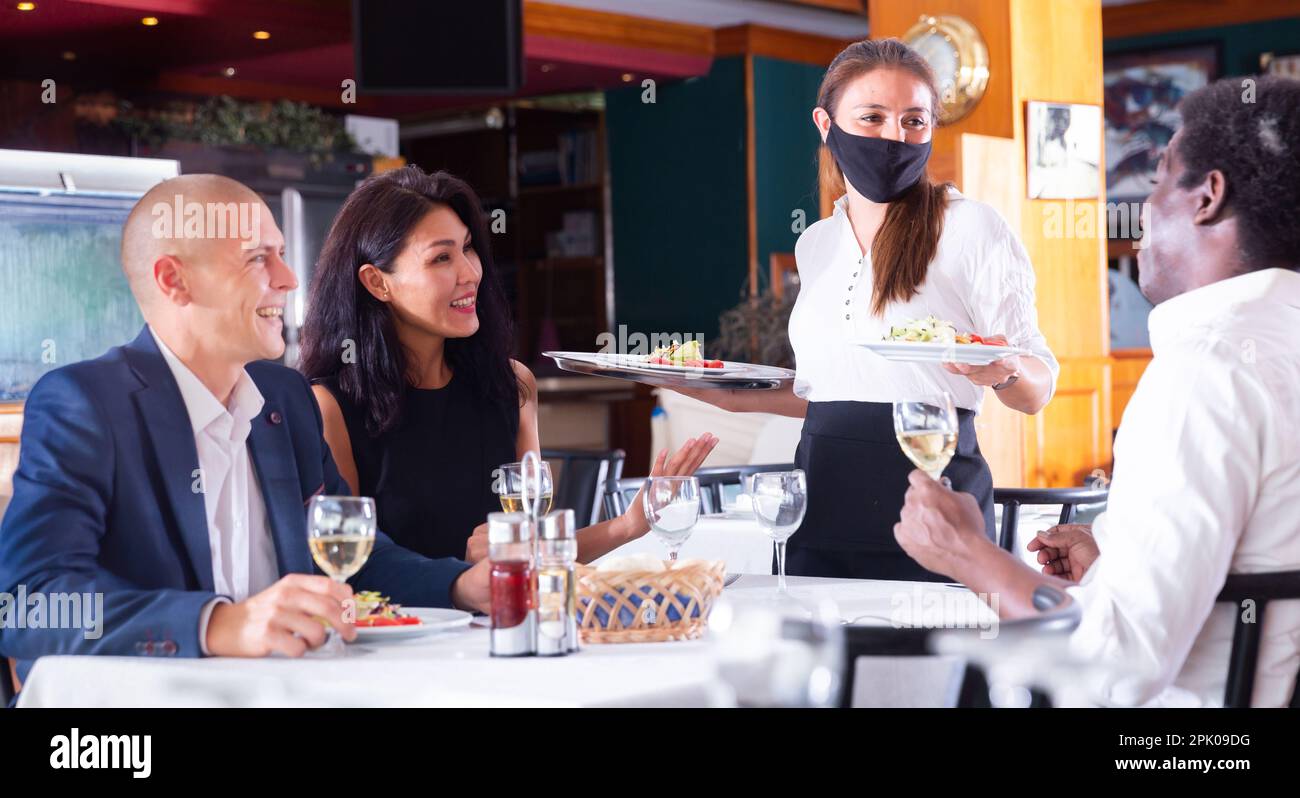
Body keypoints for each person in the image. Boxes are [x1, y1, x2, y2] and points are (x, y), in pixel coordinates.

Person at [894, 76, 1300, 706]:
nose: (1139, 209)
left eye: (1159, 179)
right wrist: (1113, 563)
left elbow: (1114, 668)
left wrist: (969, 554)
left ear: (1206, 197)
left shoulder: (1208, 371)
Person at [0, 174, 492, 690]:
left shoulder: (284, 398)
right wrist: (219, 623)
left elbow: (356, 559)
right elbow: (33, 602)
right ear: (175, 280)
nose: (289, 278)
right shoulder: (85, 404)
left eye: (281, 253)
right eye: (260, 258)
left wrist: (461, 584)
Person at [674, 39, 1057, 581]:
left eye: (913, 121)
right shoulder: (815, 243)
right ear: (825, 124)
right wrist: (730, 399)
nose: (894, 137)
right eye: (872, 117)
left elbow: (1038, 389)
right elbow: (833, 391)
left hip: (934, 500)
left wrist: (1005, 371)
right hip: (821, 495)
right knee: (825, 661)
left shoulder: (972, 228)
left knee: (934, 660)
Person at [298, 166, 717, 565]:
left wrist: (630, 523)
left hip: (509, 629)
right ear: (377, 282)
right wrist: (459, 570)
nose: (470, 273)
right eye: (441, 258)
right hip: (404, 636)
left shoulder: (511, 385)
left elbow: (536, 551)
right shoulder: (331, 408)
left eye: (467, 248)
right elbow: (348, 568)